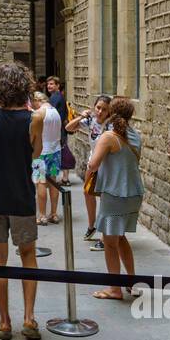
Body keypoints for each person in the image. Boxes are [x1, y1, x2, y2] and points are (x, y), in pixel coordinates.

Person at [0, 63, 44, 340]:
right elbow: (35, 158)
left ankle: (4, 321)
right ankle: (29, 317)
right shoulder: (34, 119)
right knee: (28, 255)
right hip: (23, 196)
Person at [86, 98, 145, 301]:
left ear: (111, 113)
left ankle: (114, 289)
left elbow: (93, 164)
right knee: (120, 238)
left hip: (115, 194)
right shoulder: (135, 135)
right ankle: (131, 282)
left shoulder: (109, 137)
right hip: (133, 193)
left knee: (110, 242)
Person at [67, 95, 113, 242]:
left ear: (109, 111)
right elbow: (69, 128)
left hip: (107, 165)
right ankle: (91, 225)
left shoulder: (110, 125)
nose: (100, 111)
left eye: (104, 109)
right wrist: (81, 115)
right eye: (98, 107)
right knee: (88, 193)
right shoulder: (90, 121)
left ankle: (106, 234)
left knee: (106, 198)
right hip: (92, 162)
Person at [31, 90, 62, 225]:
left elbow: (33, 135)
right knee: (54, 181)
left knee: (40, 182)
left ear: (37, 101)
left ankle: (42, 215)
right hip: (55, 151)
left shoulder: (39, 113)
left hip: (41, 152)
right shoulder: (55, 111)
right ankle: (54, 213)